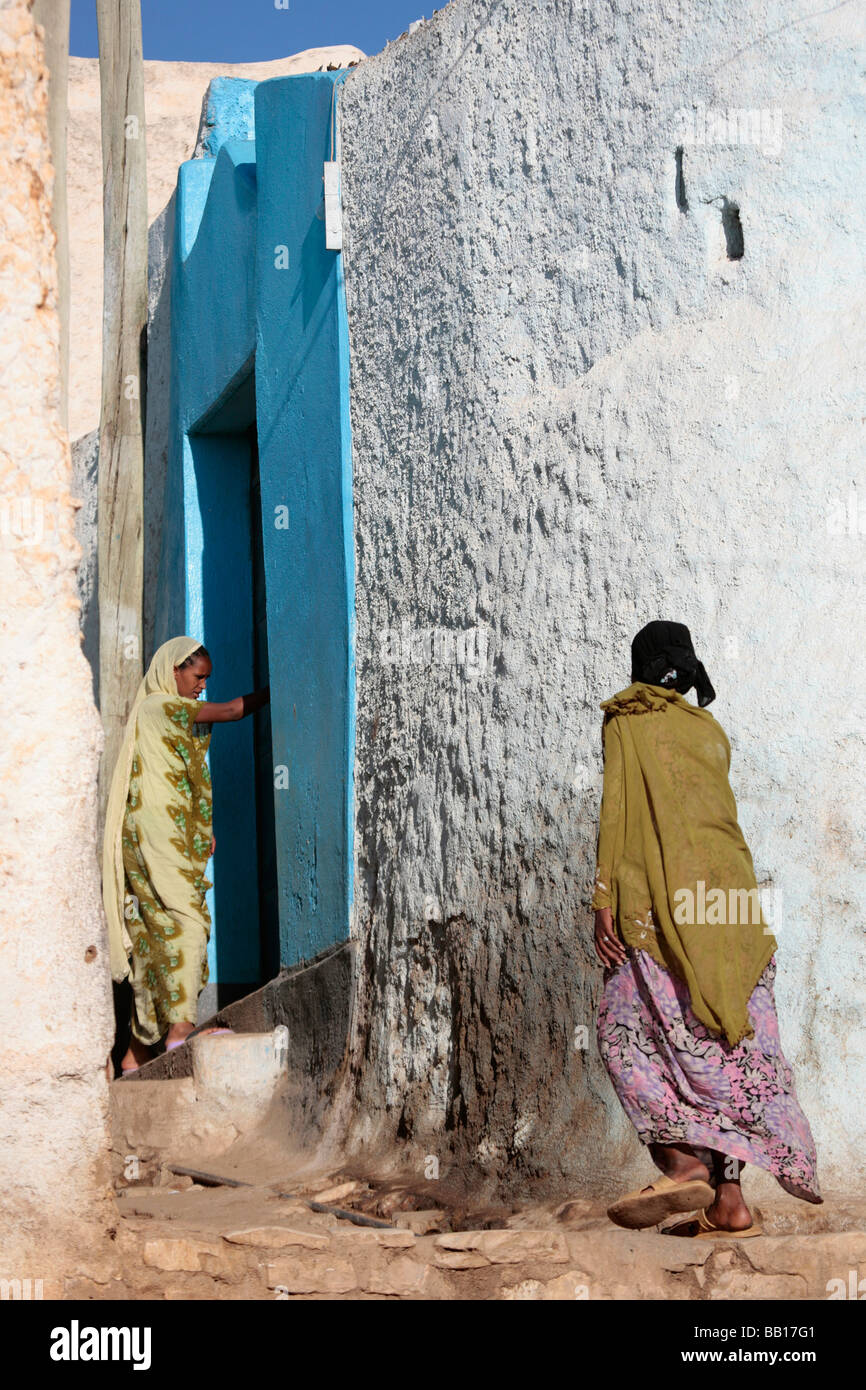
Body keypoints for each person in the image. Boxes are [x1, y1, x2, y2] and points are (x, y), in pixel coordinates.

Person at [591, 620, 821, 1236]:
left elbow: (617, 811)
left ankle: (683, 1163)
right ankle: (730, 1201)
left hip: (661, 908)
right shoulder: (709, 731)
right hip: (733, 914)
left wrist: (603, 899)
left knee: (622, 1034)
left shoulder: (627, 721)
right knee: (725, 1053)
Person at [102, 636, 269, 1075]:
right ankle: (179, 1032)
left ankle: (135, 1057)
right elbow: (232, 710)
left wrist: (199, 827)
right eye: (198, 678)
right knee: (190, 923)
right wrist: (278, 689)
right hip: (157, 837)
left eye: (206, 680)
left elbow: (178, 773)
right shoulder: (160, 706)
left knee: (155, 935)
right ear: (173, 670)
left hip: (150, 836)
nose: (201, 688)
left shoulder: (158, 714)